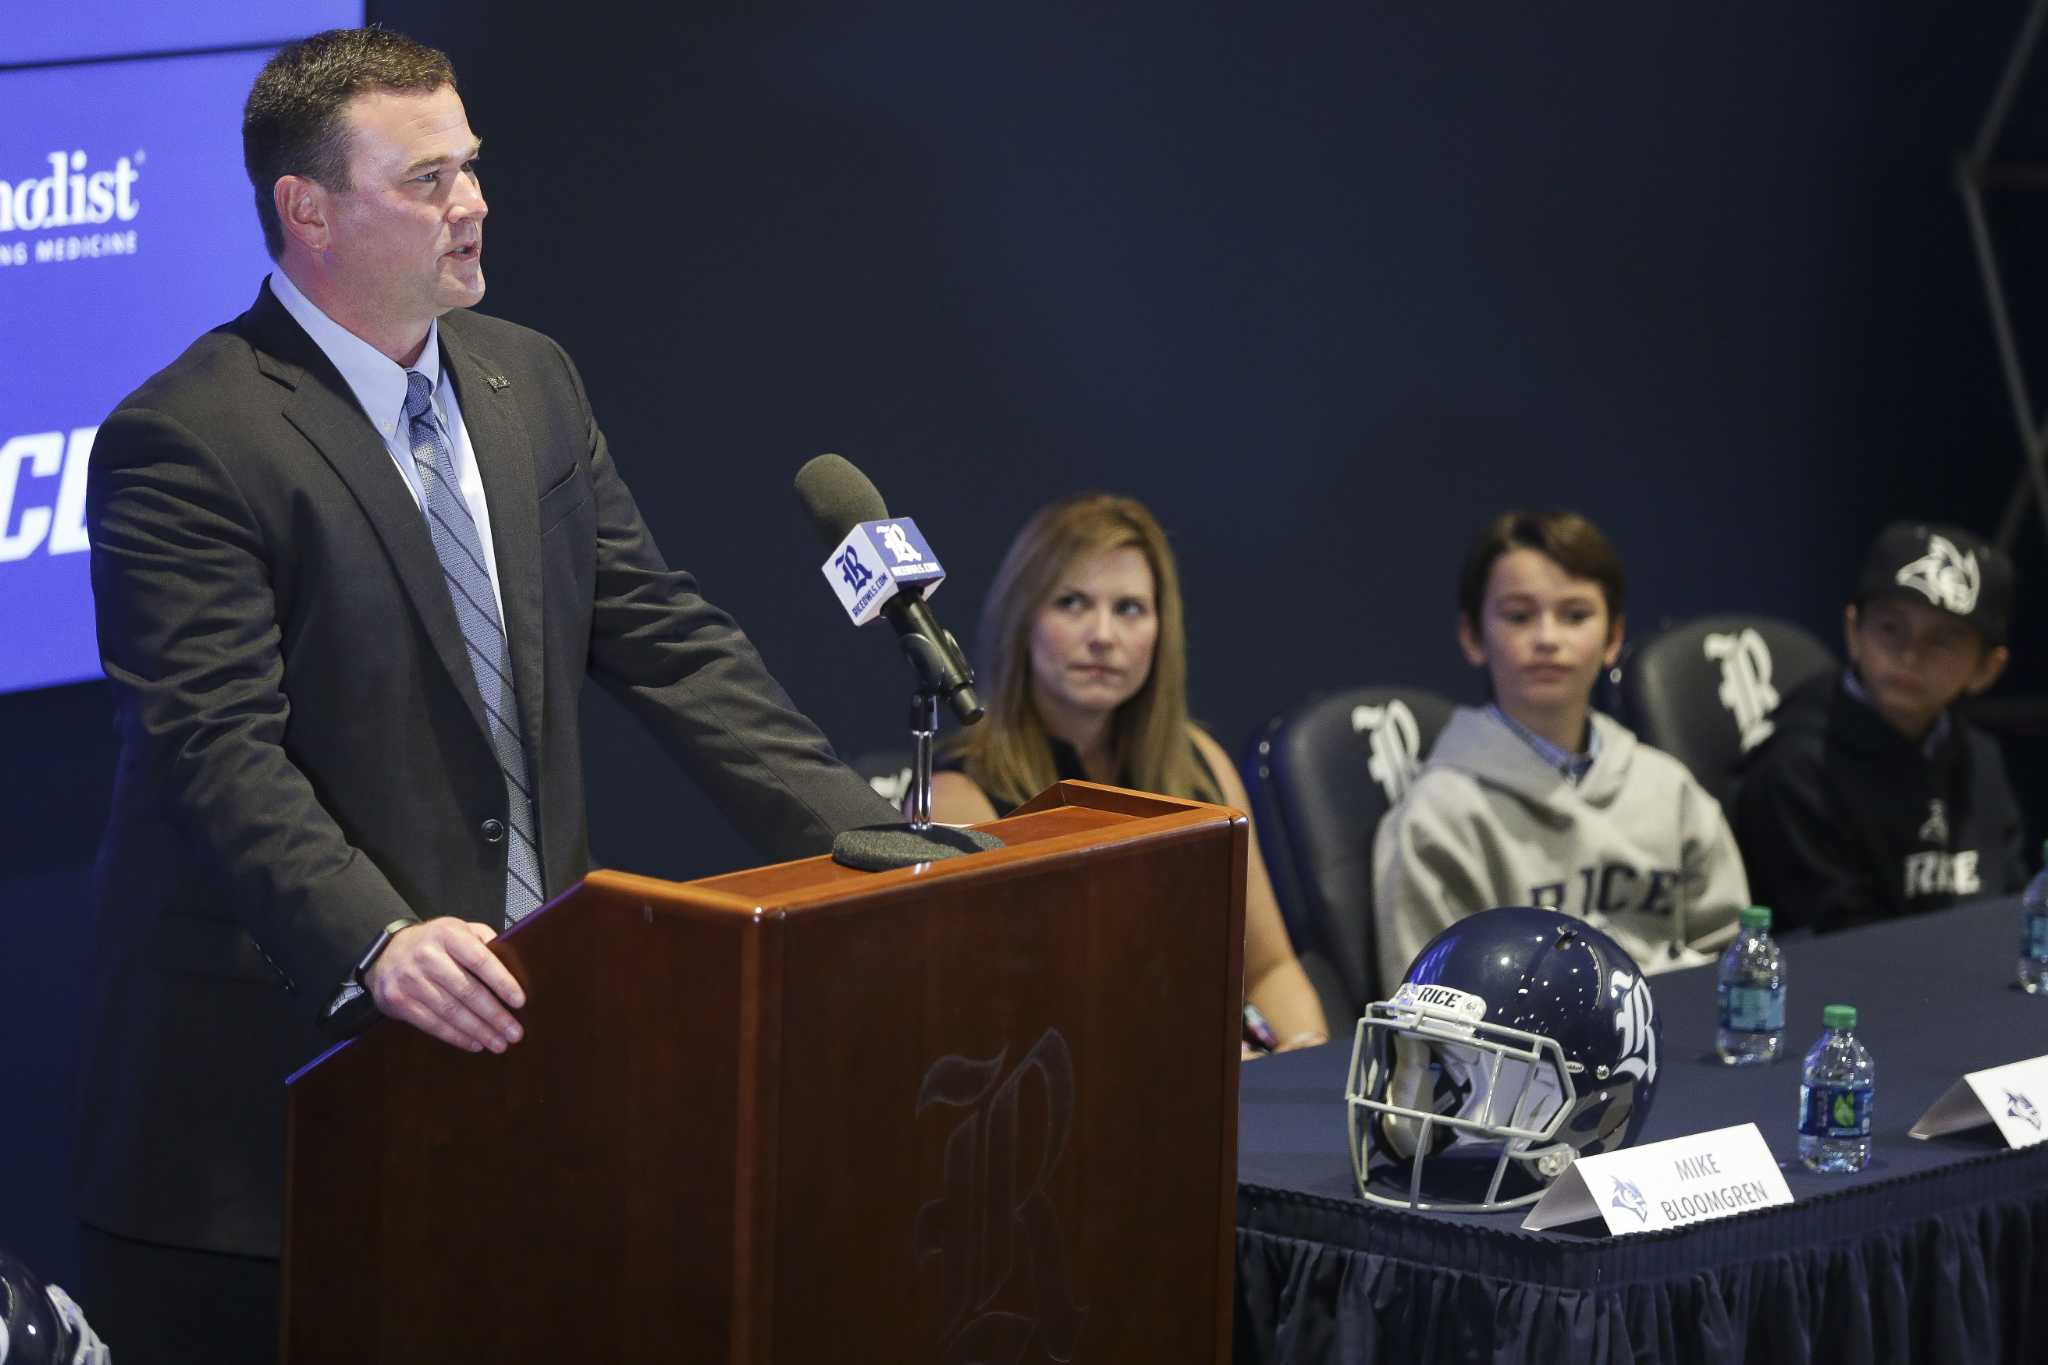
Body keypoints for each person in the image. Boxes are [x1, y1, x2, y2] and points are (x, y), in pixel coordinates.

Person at [73, 28, 899, 1360]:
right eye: (428, 179)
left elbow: (658, 633)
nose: (474, 203)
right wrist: (378, 938)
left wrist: (860, 833)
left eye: (472, 167)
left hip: (518, 1085)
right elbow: (212, 751)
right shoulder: (189, 437)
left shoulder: (528, 384)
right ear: (308, 210)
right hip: (276, 1119)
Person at [929, 493, 1330, 1052]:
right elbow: (988, 1029)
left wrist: (1303, 1058)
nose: (1103, 635)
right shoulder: (959, 800)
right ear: (1022, 619)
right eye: (1072, 603)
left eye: (1130, 609)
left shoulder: (1201, 763)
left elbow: (1268, 969)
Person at [1372, 509, 1748, 991]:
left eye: (1575, 615)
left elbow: (1733, 959)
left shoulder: (1669, 789)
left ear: (1612, 637)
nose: (1548, 639)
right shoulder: (1434, 820)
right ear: (1472, 636)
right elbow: (1425, 1013)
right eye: (1519, 616)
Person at [1733, 522, 2025, 934]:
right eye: (1890, 628)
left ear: (1986, 669)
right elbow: (1835, 938)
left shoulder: (1981, 759)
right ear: (1853, 632)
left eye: (1943, 641)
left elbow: (2007, 910)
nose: (1909, 654)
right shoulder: (1798, 766)